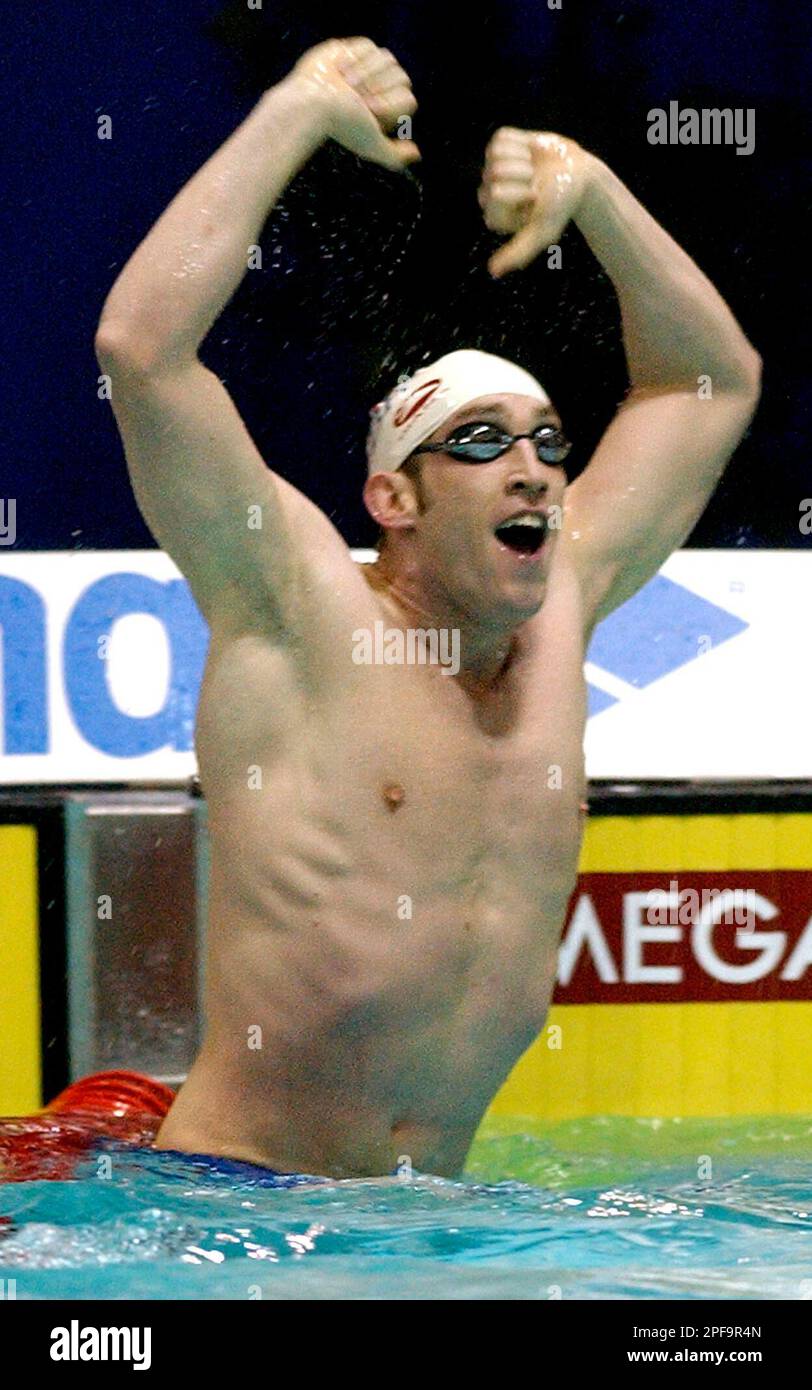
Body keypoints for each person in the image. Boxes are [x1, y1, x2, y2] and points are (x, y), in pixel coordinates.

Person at [94, 37, 761, 1179]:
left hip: (425, 1221)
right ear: (390, 495)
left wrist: (593, 190)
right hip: (238, 1206)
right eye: (481, 441)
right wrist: (296, 112)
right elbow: (143, 352)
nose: (534, 468)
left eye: (549, 443)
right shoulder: (297, 605)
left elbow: (710, 383)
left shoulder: (560, 614)